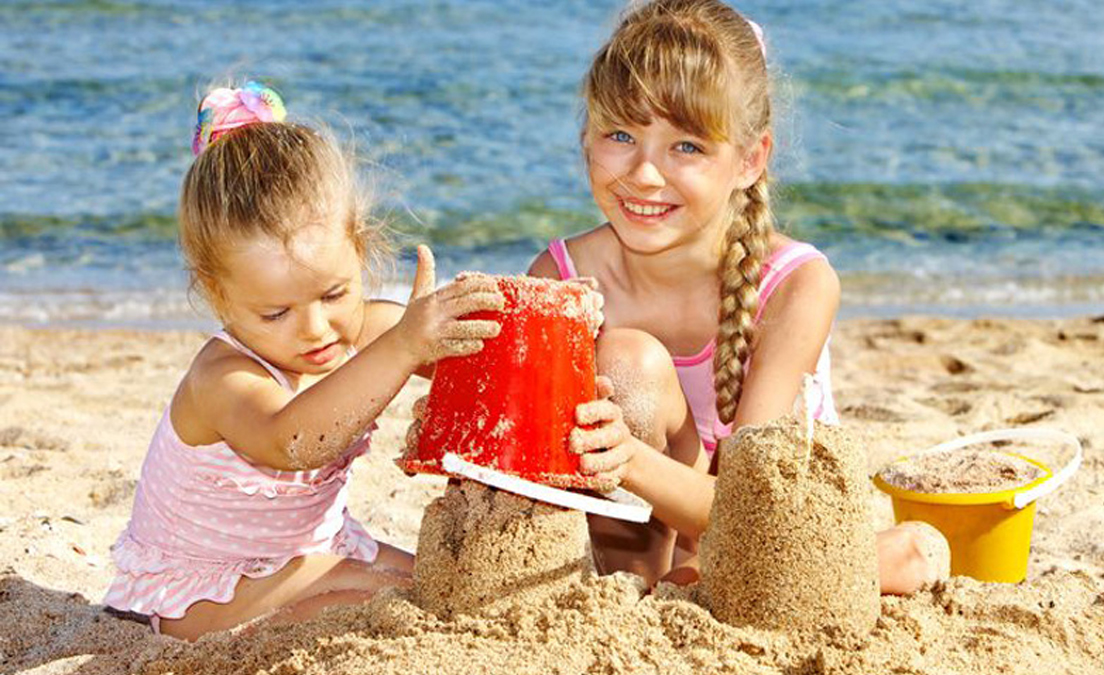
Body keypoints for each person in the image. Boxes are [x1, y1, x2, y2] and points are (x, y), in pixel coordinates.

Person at [526, 0, 948, 593]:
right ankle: (646, 592)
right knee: (626, 363)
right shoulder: (562, 276)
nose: (644, 174)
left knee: (894, 550)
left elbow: (751, 512)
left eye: (687, 147)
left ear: (749, 160)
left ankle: (702, 584)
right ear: (586, 139)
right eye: (620, 135)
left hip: (764, 525)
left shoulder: (796, 285)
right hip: (646, 544)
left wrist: (629, 458)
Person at [102, 82, 506, 640]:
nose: (316, 328)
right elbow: (291, 442)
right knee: (381, 605)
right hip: (208, 589)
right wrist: (403, 347)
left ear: (359, 252)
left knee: (443, 584)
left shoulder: (372, 329)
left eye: (334, 294)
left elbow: (479, 364)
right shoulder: (223, 378)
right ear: (218, 295)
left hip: (318, 547)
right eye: (275, 314)